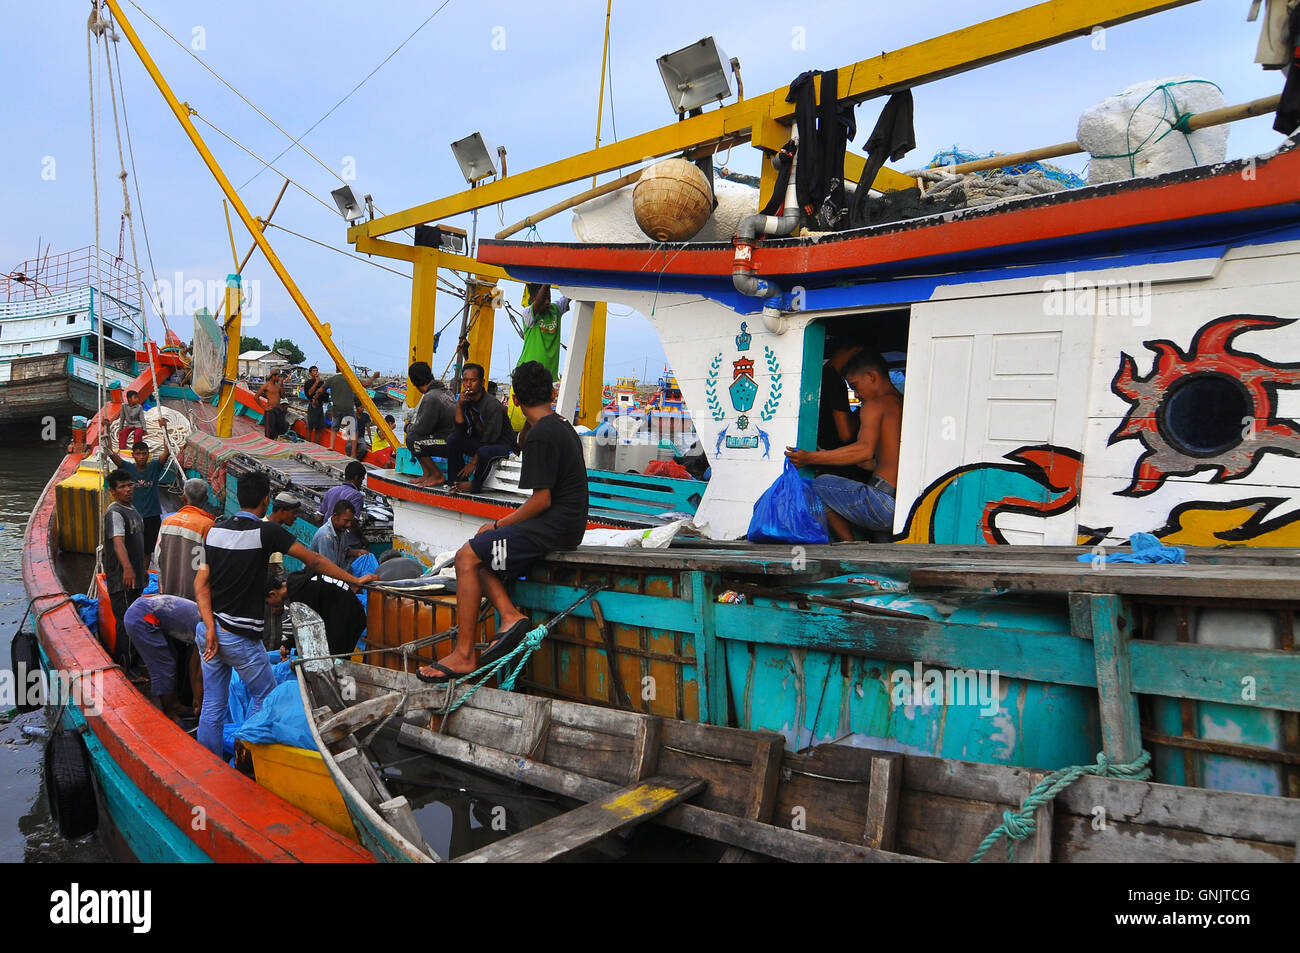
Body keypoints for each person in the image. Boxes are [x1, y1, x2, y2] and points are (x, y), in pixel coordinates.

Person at [418, 361, 588, 682]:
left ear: (518, 399)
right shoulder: (562, 426)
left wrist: (498, 525)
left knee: (466, 555)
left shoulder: (541, 434)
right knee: (482, 556)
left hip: (553, 527)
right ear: (551, 392)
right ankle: (509, 615)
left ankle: (465, 655)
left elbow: (541, 500)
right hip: (567, 524)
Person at [193, 471, 377, 757]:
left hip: (211, 631)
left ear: (238, 497)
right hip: (240, 638)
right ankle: (248, 759)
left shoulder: (214, 531)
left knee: (213, 704)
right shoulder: (267, 532)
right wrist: (354, 580)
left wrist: (208, 626)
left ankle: (209, 760)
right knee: (265, 697)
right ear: (266, 500)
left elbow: (200, 584)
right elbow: (314, 560)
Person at [786, 350, 903, 542]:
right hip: (906, 506)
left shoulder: (875, 404)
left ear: (871, 376)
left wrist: (810, 457)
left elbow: (864, 450)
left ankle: (849, 544)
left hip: (882, 504)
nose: (856, 395)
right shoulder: (903, 403)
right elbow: (875, 463)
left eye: (855, 386)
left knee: (816, 485)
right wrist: (831, 456)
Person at [122, 595, 202, 725]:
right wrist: (197, 699)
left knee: (172, 657)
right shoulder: (206, 629)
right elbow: (197, 667)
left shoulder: (203, 619)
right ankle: (169, 713)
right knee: (164, 666)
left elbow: (194, 662)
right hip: (140, 618)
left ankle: (175, 704)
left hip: (145, 612)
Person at [446, 363, 517, 494]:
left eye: (473, 380)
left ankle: (475, 485)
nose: (468, 385)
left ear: (482, 382)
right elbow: (460, 431)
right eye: (465, 381)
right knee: (453, 440)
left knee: (484, 451)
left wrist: (472, 464)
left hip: (503, 445)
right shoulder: (467, 401)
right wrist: (459, 406)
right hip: (483, 443)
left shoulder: (492, 405)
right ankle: (456, 482)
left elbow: (490, 439)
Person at [107, 433, 175, 567]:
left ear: (148, 454)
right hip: (134, 516)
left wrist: (164, 428)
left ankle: (143, 574)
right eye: (138, 454)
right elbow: (110, 452)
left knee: (147, 549)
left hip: (152, 516)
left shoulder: (154, 466)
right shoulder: (128, 467)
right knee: (131, 547)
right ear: (133, 455)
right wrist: (107, 429)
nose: (141, 457)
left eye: (144, 454)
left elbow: (167, 451)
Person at [508, 284, 570, 431]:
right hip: (527, 376)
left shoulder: (555, 310)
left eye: (549, 298)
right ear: (532, 299)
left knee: (539, 419)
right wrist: (546, 280)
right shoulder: (528, 314)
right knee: (522, 421)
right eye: (543, 299)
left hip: (546, 376)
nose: (547, 302)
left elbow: (569, 295)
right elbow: (539, 301)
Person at [104, 467, 147, 661]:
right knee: (126, 621)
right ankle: (127, 665)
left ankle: (134, 659)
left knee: (135, 619)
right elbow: (118, 542)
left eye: (130, 485)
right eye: (122, 487)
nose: (128, 489)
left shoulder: (132, 509)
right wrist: (128, 568)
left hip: (136, 577)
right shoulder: (115, 513)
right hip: (123, 579)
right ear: (113, 491)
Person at [155, 478, 215, 601]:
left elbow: (157, 558)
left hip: (169, 594)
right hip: (195, 598)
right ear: (206, 498)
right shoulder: (208, 525)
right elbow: (209, 565)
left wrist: (162, 590)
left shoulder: (167, 522)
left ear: (183, 498)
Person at [403, 361, 457, 486]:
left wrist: (407, 427)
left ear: (414, 382)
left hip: (448, 442)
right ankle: (427, 474)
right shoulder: (446, 392)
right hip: (454, 438)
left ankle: (437, 475)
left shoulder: (430, 397)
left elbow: (421, 430)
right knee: (415, 437)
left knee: (413, 440)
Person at [309, 500, 366, 570]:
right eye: (346, 520)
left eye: (351, 521)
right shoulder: (325, 536)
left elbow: (343, 552)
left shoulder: (342, 531)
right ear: (335, 516)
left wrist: (357, 552)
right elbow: (329, 568)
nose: (349, 525)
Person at [255, 370, 288, 440]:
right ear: (273, 376)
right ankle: (269, 442)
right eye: (278, 376)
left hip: (278, 409)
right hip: (270, 409)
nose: (279, 378)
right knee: (270, 429)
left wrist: (282, 386)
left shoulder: (278, 386)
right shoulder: (266, 385)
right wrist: (264, 407)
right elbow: (256, 397)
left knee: (280, 426)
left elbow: (283, 396)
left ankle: (275, 440)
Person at [304, 365, 327, 445]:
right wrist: (316, 382)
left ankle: (316, 445)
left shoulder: (321, 383)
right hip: (312, 406)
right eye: (314, 371)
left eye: (317, 371)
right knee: (309, 427)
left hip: (319, 406)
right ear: (310, 373)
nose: (316, 372)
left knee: (319, 428)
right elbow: (309, 393)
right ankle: (308, 444)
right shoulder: (308, 383)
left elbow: (325, 395)